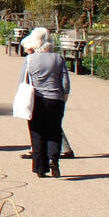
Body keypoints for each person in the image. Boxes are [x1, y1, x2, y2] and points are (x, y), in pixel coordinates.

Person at [18, 27, 70, 178]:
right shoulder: (59, 58)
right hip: (55, 99)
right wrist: (63, 98)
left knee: (37, 132)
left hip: (36, 99)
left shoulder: (29, 60)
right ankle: (54, 158)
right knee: (54, 130)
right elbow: (65, 84)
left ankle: (40, 167)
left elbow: (22, 81)